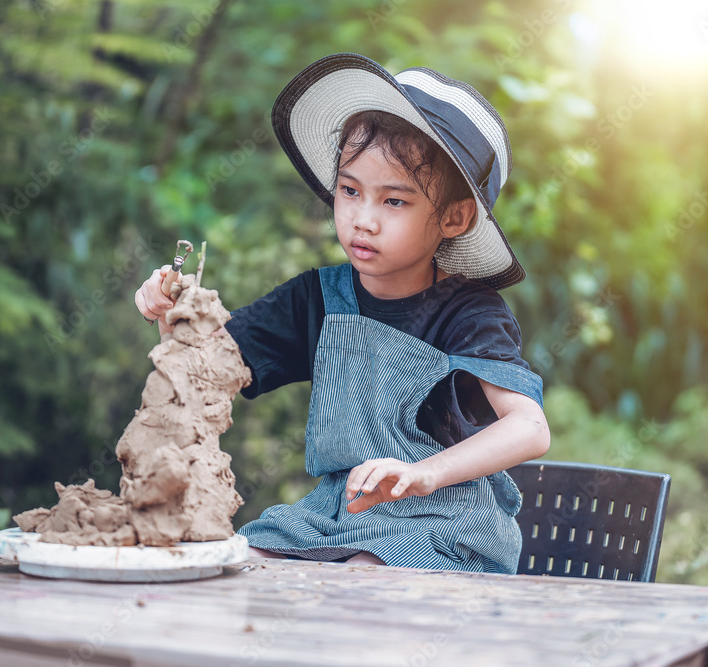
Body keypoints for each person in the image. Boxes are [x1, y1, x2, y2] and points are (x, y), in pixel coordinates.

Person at [135, 53, 549, 573]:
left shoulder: (470, 312)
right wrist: (174, 309)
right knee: (240, 562)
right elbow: (206, 362)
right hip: (336, 511)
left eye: (393, 202)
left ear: (453, 216)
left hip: (446, 519)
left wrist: (425, 473)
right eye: (350, 191)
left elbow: (530, 429)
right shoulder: (319, 298)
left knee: (361, 576)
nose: (362, 220)